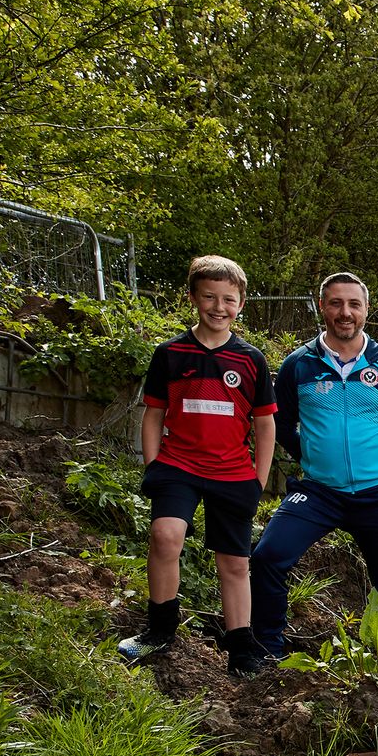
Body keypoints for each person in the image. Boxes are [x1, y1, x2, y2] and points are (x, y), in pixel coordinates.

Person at [251, 272, 378, 660]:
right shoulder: (299, 365)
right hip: (318, 492)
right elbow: (280, 422)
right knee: (267, 557)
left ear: (366, 310)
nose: (345, 313)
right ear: (322, 307)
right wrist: (310, 457)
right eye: (335, 303)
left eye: (353, 304)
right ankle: (267, 656)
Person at [118, 255, 276, 675]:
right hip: (178, 465)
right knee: (165, 536)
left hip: (232, 473)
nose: (218, 307)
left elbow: (264, 424)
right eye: (209, 297)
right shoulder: (170, 353)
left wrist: (258, 480)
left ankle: (241, 645)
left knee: (235, 562)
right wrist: (154, 465)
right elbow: (153, 414)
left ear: (241, 304)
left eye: (229, 299)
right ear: (193, 298)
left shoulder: (250, 360)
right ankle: (159, 629)